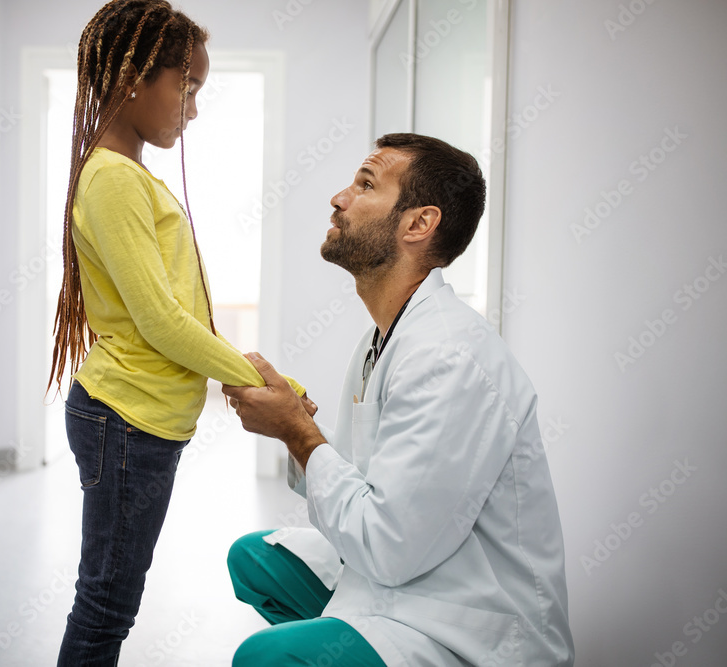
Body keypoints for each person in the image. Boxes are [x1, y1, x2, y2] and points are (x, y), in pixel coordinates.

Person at [223, 134, 575, 666]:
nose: (339, 198)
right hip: (404, 573)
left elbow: (387, 547)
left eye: (365, 184)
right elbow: (377, 484)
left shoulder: (448, 357)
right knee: (254, 559)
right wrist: (297, 429)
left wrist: (299, 432)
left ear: (418, 224)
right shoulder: (384, 337)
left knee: (265, 659)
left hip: (470, 626)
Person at [45, 1, 308, 664]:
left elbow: (169, 314)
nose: (192, 109)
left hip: (138, 420)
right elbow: (162, 320)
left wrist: (253, 370)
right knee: (106, 604)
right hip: (126, 420)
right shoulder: (112, 180)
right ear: (134, 76)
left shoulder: (123, 175)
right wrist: (263, 379)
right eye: (186, 87)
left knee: (111, 599)